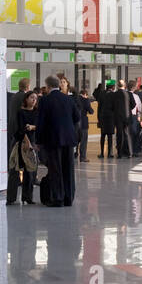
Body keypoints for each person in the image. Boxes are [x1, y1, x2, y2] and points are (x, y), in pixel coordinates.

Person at [36, 75, 81, 206]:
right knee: (68, 168)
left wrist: (39, 141)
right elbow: (77, 117)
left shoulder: (45, 100)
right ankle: (68, 197)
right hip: (69, 138)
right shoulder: (68, 99)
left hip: (53, 139)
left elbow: (41, 122)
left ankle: (58, 198)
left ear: (48, 86)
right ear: (59, 85)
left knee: (56, 169)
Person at [7, 90, 39, 205]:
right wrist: (27, 142)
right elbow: (21, 128)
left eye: (35, 98)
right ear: (26, 99)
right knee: (14, 170)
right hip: (20, 142)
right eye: (31, 98)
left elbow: (39, 126)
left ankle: (27, 197)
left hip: (32, 143)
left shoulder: (37, 112)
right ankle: (11, 198)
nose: (34, 100)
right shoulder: (21, 112)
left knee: (30, 172)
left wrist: (33, 127)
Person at [97, 79, 119, 158]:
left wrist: (98, 119)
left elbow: (99, 107)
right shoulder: (114, 95)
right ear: (113, 87)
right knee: (110, 136)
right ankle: (110, 153)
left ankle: (102, 153)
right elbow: (115, 107)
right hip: (111, 118)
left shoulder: (101, 94)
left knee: (102, 136)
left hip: (102, 117)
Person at [74, 83, 93, 163]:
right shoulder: (86, 100)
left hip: (75, 123)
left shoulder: (75, 99)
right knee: (83, 140)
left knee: (76, 140)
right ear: (85, 94)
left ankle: (75, 154)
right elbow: (91, 111)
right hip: (83, 123)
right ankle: (82, 157)